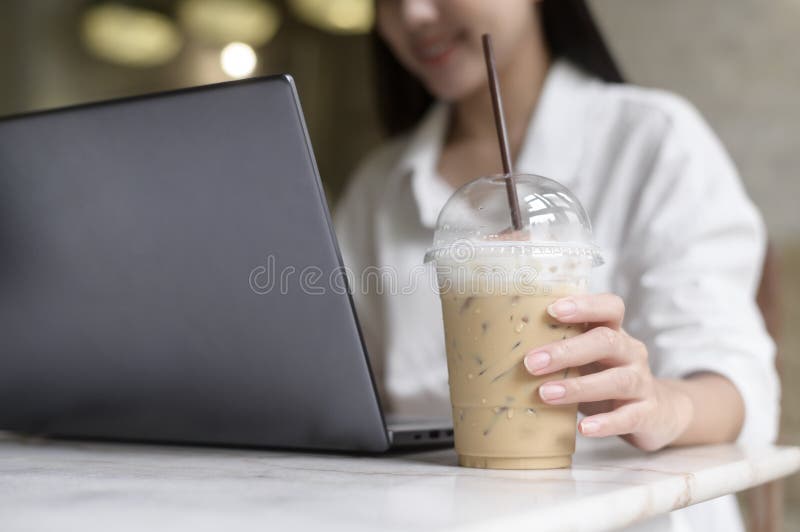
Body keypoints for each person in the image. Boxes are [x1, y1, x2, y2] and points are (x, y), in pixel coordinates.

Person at [334, 1, 779, 529]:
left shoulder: (654, 137)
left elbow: (737, 384)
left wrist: (659, 404)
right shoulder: (378, 187)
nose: (412, 14)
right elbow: (340, 388)